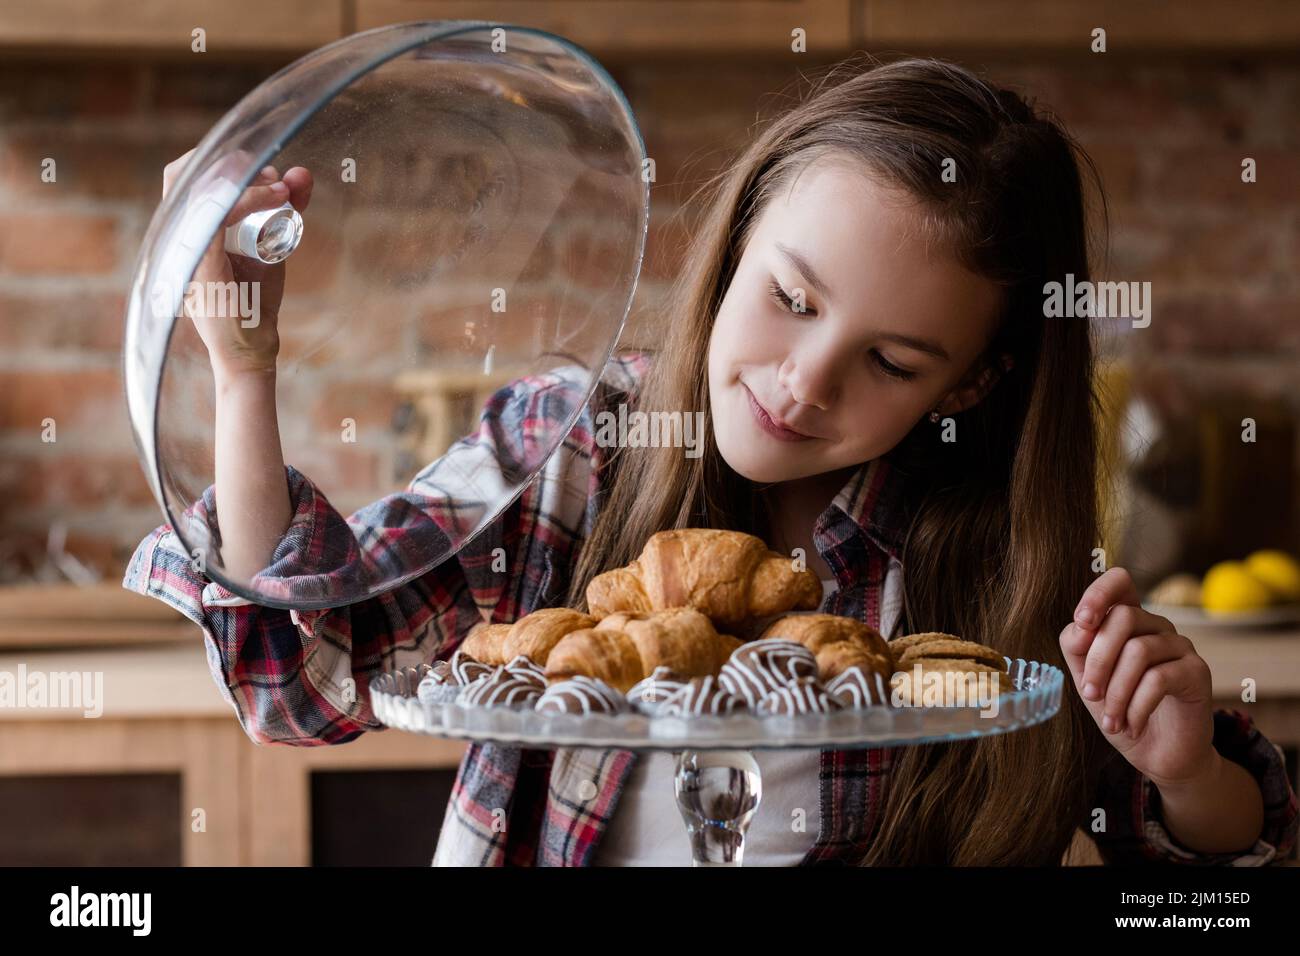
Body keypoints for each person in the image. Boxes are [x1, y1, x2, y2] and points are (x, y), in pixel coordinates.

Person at [124, 56, 1298, 866]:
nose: (803, 381)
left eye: (891, 361)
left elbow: (1205, 872)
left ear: (971, 384)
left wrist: (1189, 773)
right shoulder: (576, 448)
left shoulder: (998, 569)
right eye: (789, 298)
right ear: (735, 244)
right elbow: (309, 668)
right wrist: (243, 368)